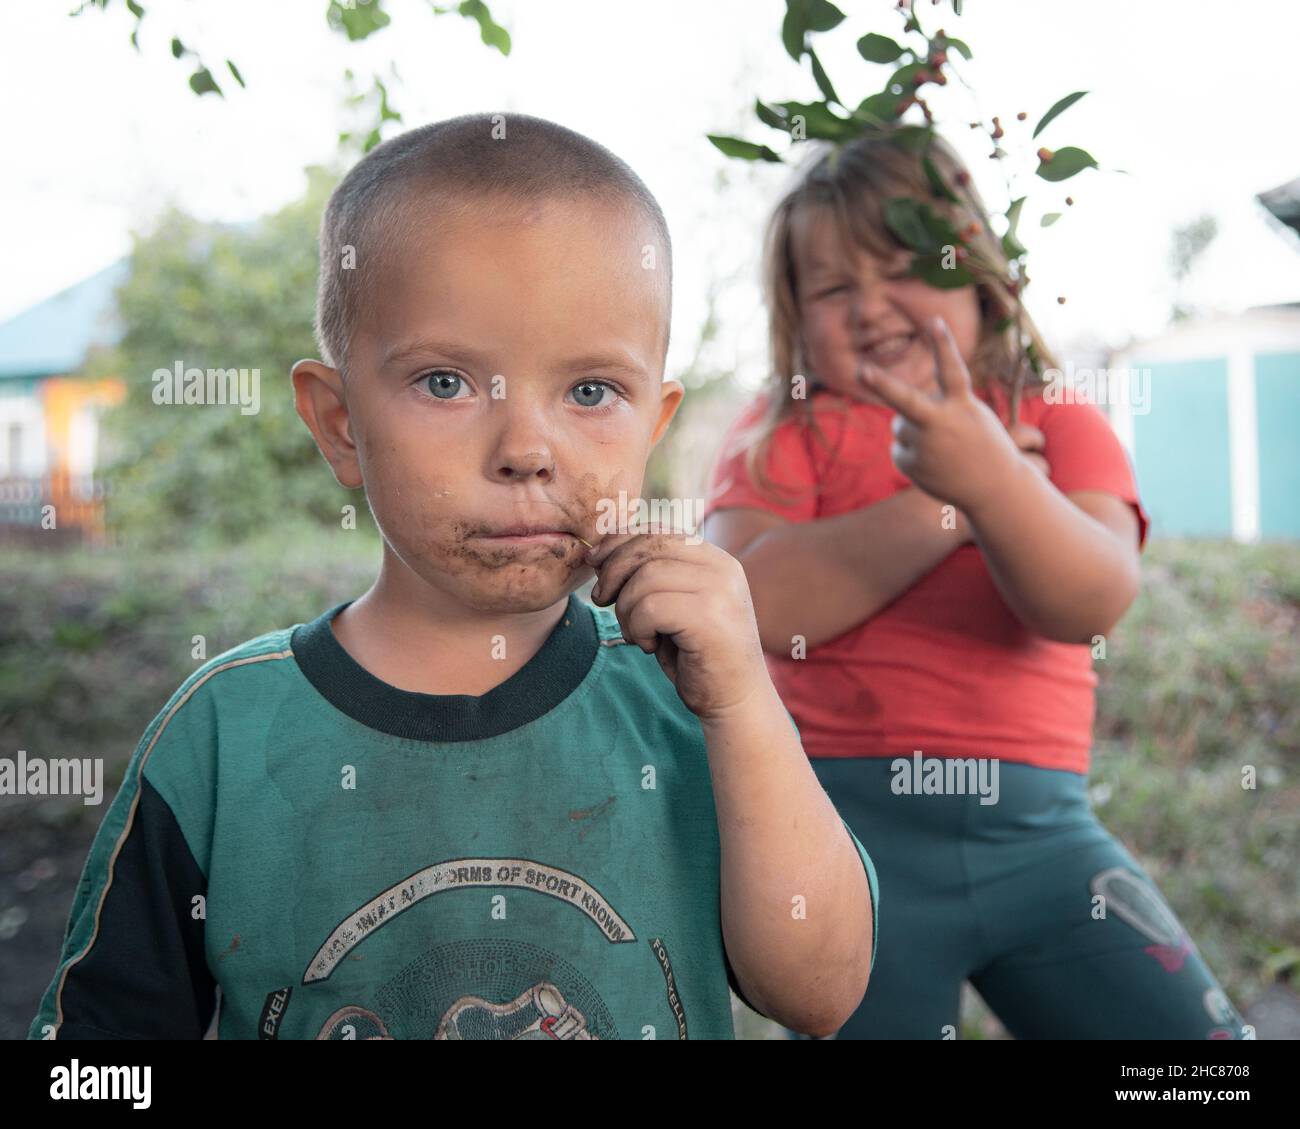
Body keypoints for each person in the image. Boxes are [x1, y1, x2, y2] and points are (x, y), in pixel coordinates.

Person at [28, 113, 877, 1041]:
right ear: (340, 421)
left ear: (654, 424)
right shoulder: (222, 737)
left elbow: (821, 991)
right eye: (445, 383)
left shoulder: (688, 699)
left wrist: (746, 704)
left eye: (591, 391)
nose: (525, 450)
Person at [702, 131, 1246, 1039]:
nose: (871, 306)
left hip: (1042, 840)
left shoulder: (1045, 411)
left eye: (905, 267)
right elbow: (759, 604)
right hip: (846, 848)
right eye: (834, 287)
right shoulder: (783, 430)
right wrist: (940, 506)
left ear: (982, 277)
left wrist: (997, 479)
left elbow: (1090, 599)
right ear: (795, 314)